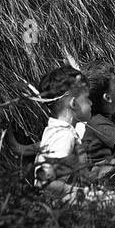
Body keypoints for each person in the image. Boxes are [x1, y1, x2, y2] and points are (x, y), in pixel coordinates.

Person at [32, 63, 93, 196]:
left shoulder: (57, 131)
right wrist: (81, 193)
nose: (91, 102)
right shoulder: (64, 136)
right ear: (74, 103)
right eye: (87, 98)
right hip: (64, 207)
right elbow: (45, 183)